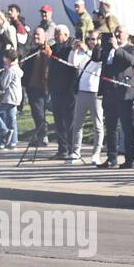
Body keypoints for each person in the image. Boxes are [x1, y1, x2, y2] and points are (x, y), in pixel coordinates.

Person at [95, 26, 134, 169]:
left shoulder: (131, 48)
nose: (117, 35)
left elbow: (132, 61)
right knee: (111, 127)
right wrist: (99, 44)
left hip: (124, 93)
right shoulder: (107, 48)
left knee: (127, 127)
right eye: (115, 32)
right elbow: (95, 58)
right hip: (109, 93)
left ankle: (129, 158)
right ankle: (111, 158)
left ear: (126, 35)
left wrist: (117, 48)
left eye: (120, 32)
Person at [68, 36, 105, 165]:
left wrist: (86, 51)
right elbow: (73, 63)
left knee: (97, 124)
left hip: (95, 92)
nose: (91, 41)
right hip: (82, 91)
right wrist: (74, 50)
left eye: (94, 39)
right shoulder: (83, 53)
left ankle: (96, 153)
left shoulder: (100, 53)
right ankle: (75, 151)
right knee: (77, 123)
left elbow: (96, 59)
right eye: (89, 39)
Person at [47, 24, 77, 159]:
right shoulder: (53, 48)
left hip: (68, 90)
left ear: (65, 35)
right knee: (58, 120)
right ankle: (62, 149)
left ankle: (71, 148)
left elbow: (70, 64)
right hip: (55, 88)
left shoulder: (70, 48)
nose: (55, 36)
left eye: (58, 33)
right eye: (55, 33)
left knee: (69, 120)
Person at [0, 48, 23, 149]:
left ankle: (4, 131)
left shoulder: (10, 70)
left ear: (8, 59)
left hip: (10, 97)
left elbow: (4, 84)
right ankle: (13, 141)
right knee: (11, 118)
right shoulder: (16, 68)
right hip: (16, 97)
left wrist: (4, 73)